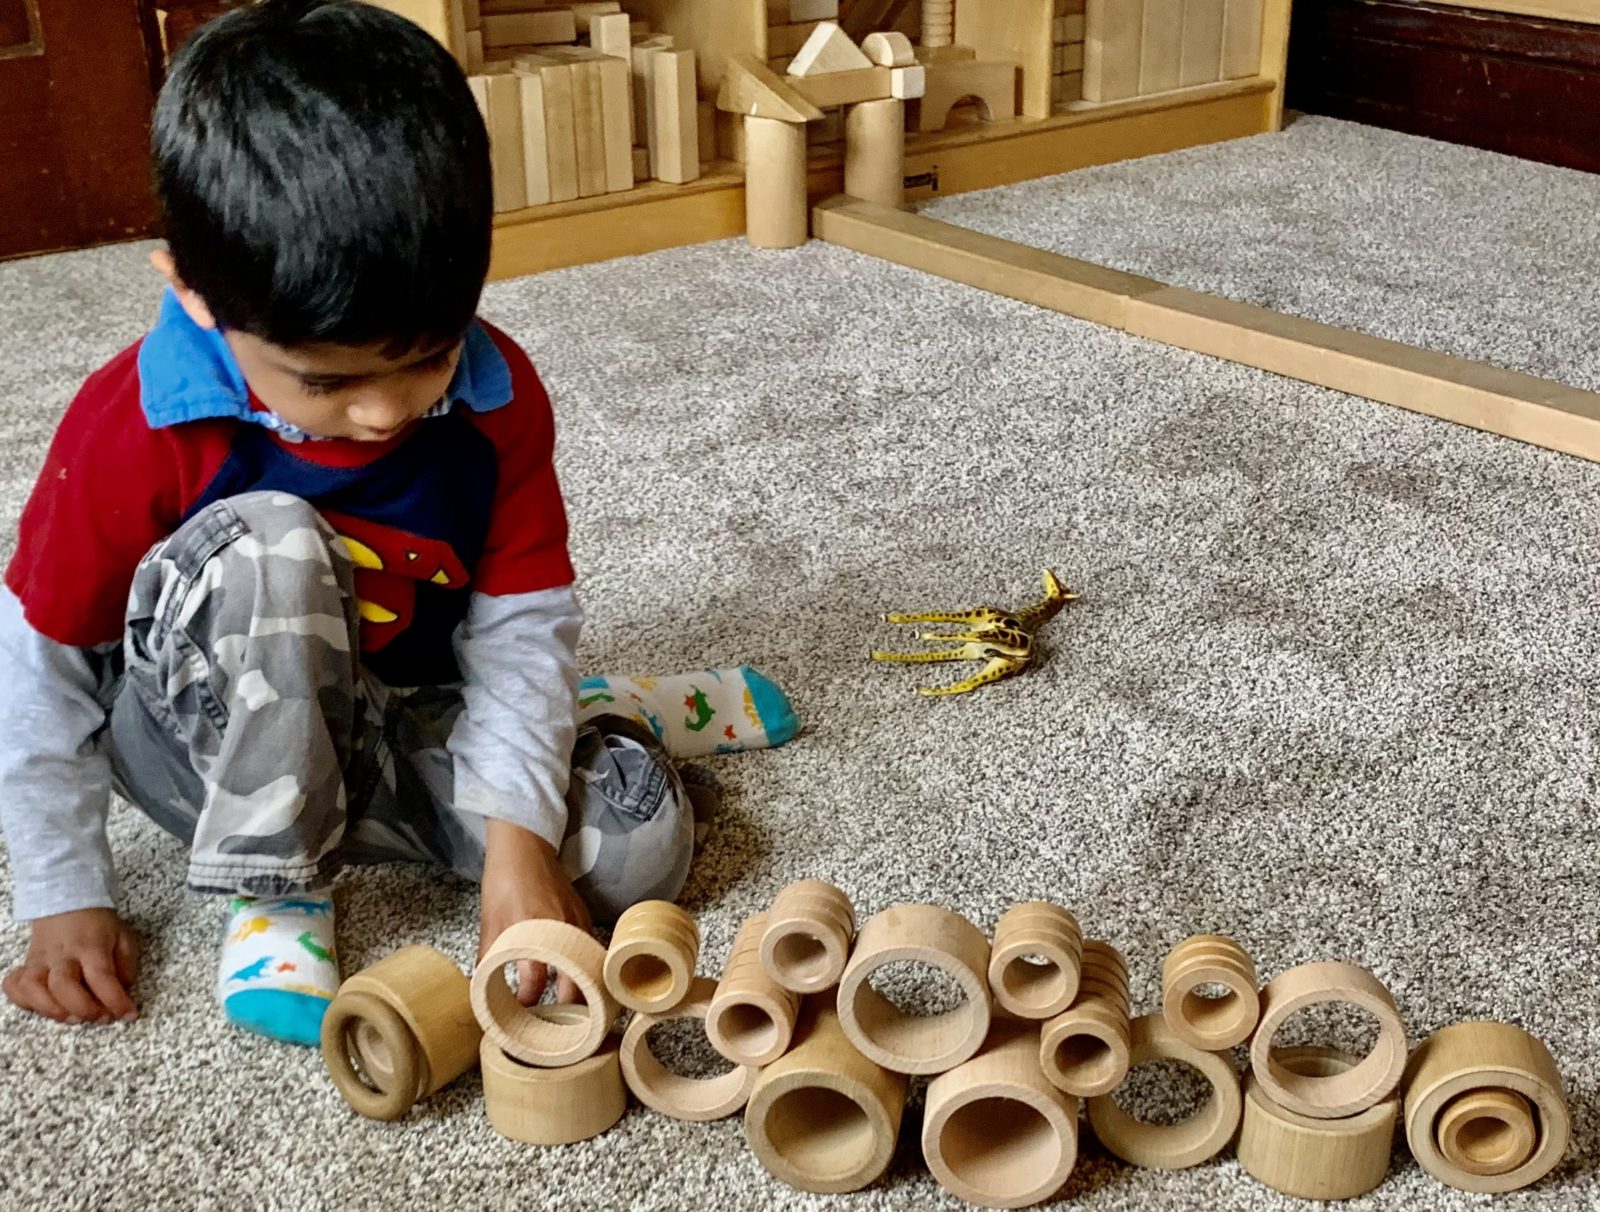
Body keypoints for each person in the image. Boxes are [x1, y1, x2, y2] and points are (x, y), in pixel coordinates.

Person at [0, 0, 796, 1046]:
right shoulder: (135, 425)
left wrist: (519, 849)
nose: (383, 413)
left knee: (637, 853)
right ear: (192, 292)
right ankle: (280, 885)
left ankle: (601, 708)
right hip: (202, 747)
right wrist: (62, 890)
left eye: (427, 357)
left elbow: (517, 625)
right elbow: (42, 664)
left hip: (403, 708)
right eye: (327, 382)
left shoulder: (497, 401)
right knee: (275, 544)